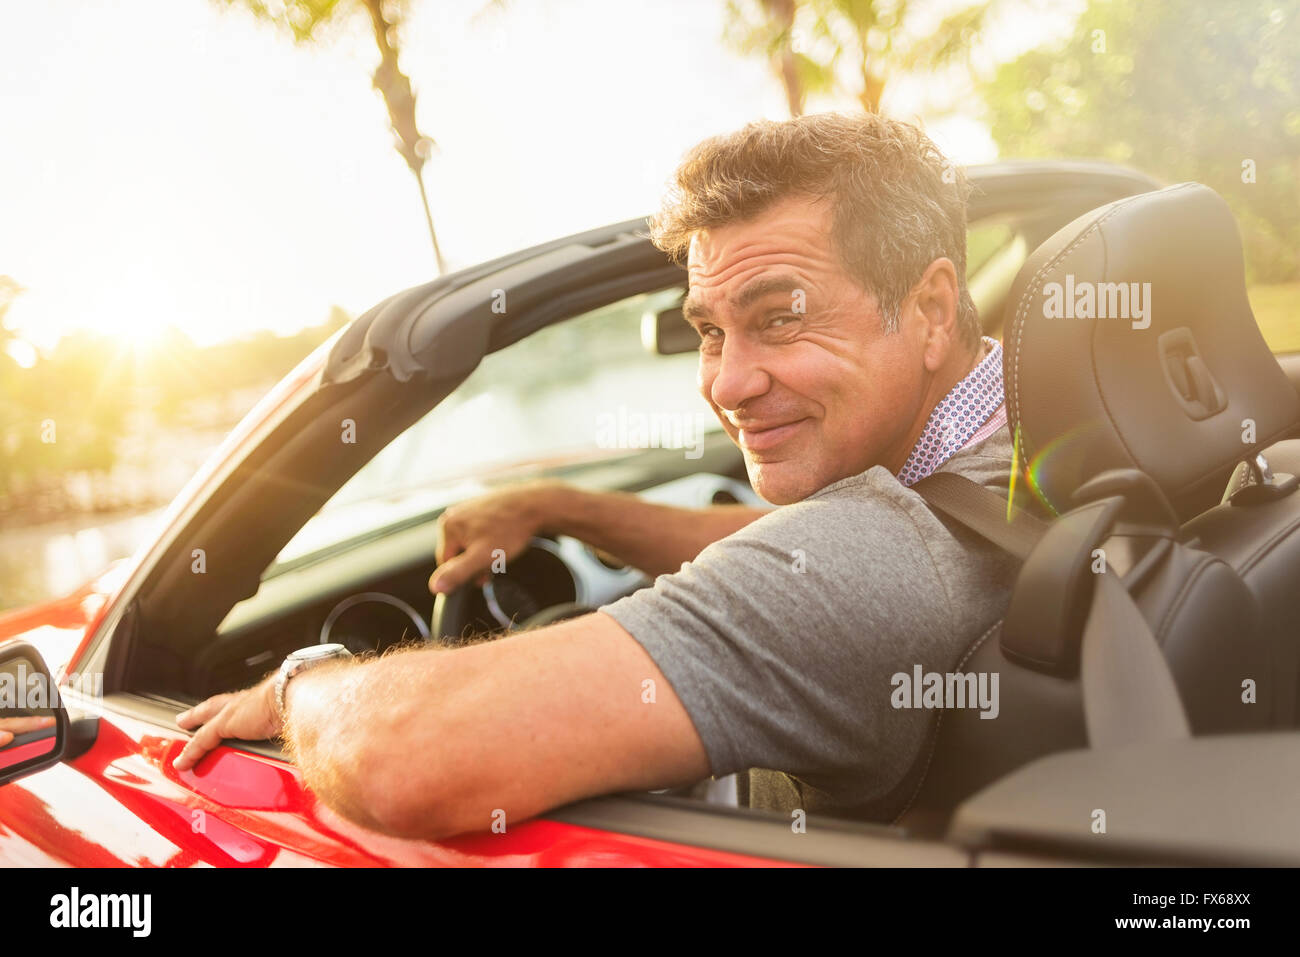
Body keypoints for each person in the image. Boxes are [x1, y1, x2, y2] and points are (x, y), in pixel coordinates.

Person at [174, 112, 1024, 838]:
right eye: (712, 331)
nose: (726, 385)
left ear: (931, 311)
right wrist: (560, 508)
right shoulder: (1028, 449)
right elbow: (784, 553)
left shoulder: (862, 569)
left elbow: (400, 754)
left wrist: (298, 686)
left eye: (780, 317)